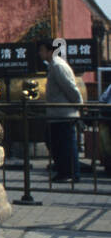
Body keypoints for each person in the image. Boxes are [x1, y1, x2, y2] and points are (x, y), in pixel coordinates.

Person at [37, 39, 84, 182]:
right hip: (57, 113)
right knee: (56, 143)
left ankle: (71, 173)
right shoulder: (53, 65)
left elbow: (70, 87)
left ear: (50, 51)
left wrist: (78, 104)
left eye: (42, 50)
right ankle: (63, 171)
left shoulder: (58, 66)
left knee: (66, 144)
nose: (40, 53)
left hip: (64, 113)